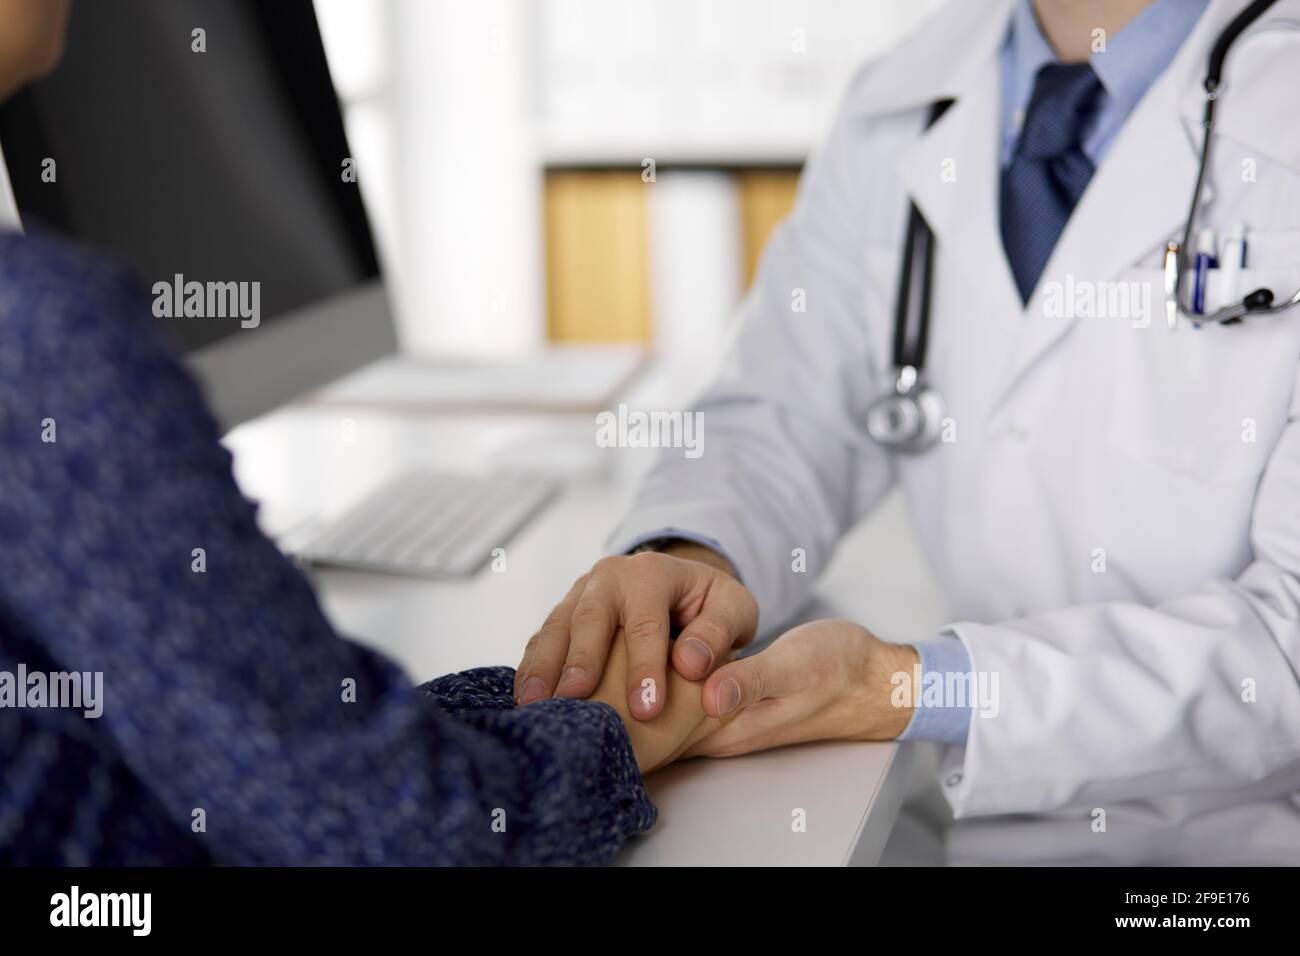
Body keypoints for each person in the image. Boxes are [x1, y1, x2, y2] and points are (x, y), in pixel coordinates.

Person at [518, 0, 1300, 865]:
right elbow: (782, 408)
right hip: (960, 817)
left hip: (1232, 852)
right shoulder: (905, 94)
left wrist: (905, 686)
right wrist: (695, 565)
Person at [0, 0, 727, 866]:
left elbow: (260, 760)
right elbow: (399, 834)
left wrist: (536, 708)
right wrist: (619, 729)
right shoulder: (37, 333)